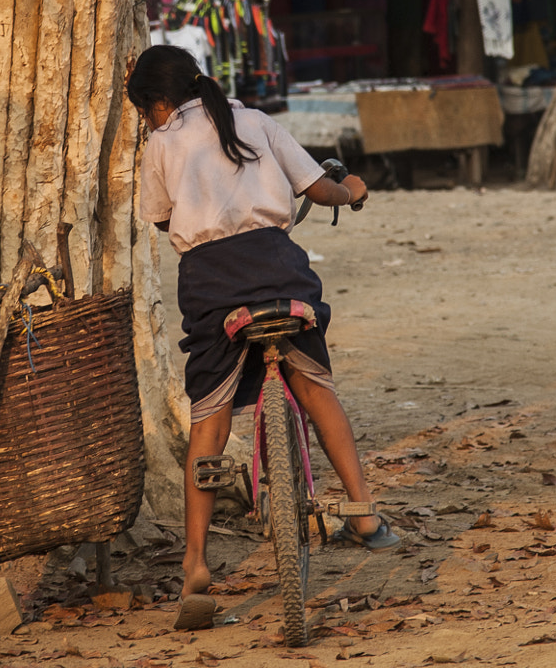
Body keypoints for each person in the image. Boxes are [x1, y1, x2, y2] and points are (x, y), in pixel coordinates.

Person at [127, 45, 398, 632]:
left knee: (211, 418)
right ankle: (365, 513)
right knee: (314, 384)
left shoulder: (160, 142)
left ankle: (195, 564)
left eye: (146, 110)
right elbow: (318, 190)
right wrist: (353, 188)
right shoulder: (255, 120)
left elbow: (158, 216)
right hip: (279, 266)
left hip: (209, 284)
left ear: (158, 103)